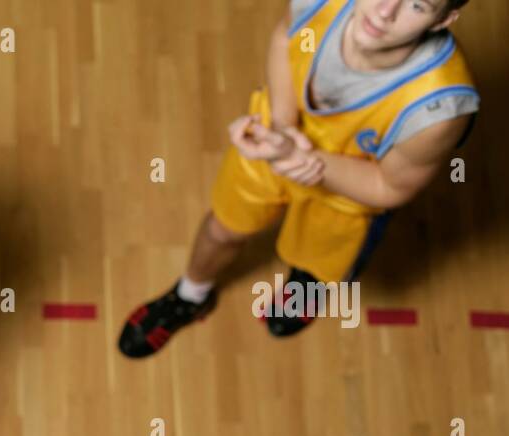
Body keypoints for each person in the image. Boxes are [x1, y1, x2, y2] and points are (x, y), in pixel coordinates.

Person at [118, 0, 478, 357]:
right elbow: (284, 41)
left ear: (443, 19)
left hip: (347, 194)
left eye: (416, 4)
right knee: (221, 228)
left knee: (317, 265)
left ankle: (305, 287)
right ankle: (189, 296)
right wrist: (282, 129)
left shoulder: (437, 107)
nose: (385, 11)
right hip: (275, 140)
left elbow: (391, 186)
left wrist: (301, 157)